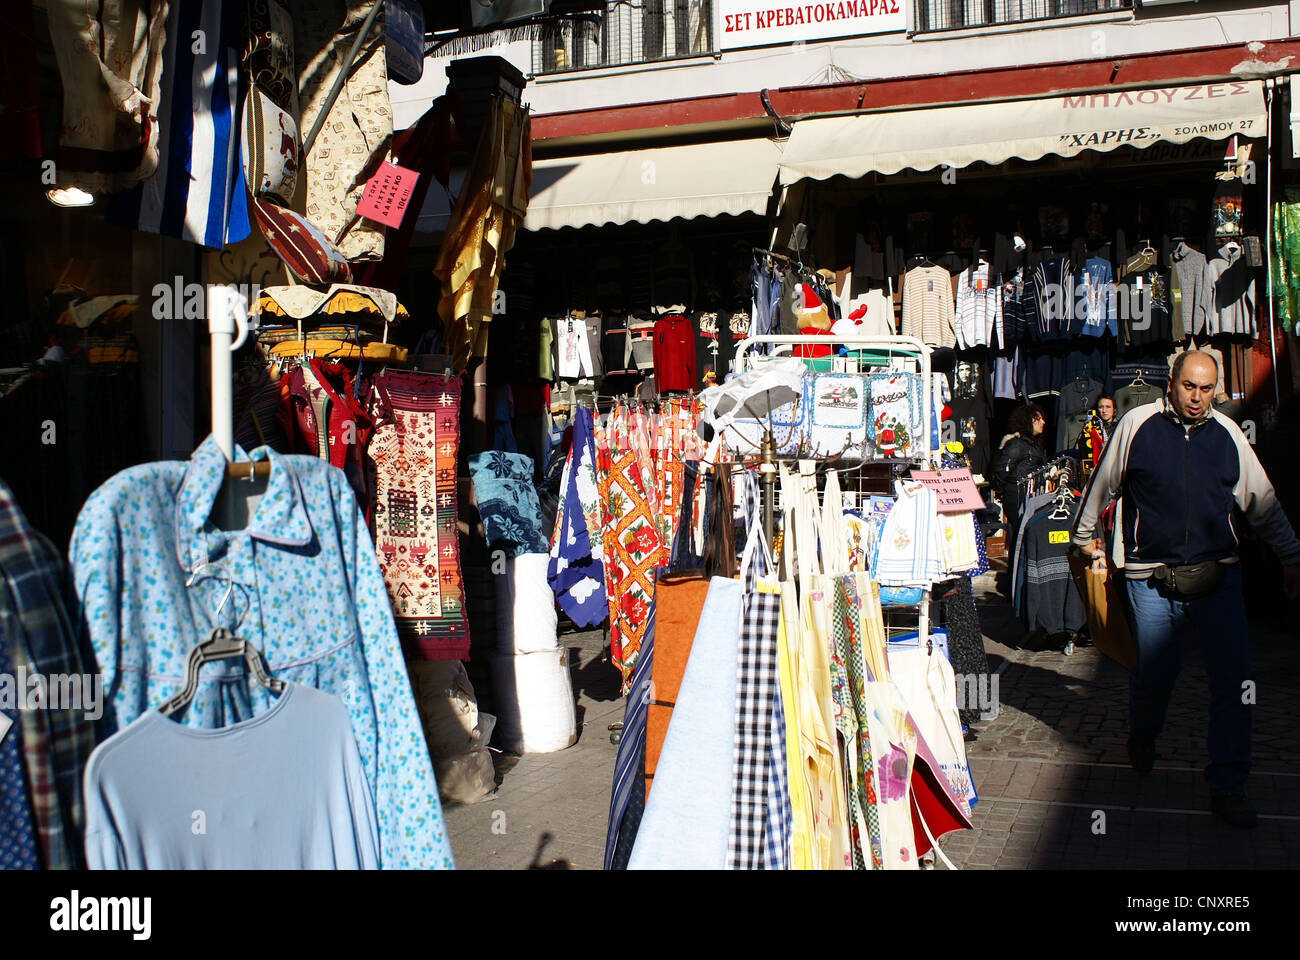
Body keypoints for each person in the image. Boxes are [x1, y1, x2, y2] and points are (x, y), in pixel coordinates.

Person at [1071, 351, 1300, 828]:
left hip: (1218, 576)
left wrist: (1292, 556)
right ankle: (1144, 734)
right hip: (1150, 578)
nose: (1198, 398)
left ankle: (1229, 784)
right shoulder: (1137, 425)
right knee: (1155, 677)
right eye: (1190, 387)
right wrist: (1081, 537)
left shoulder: (1229, 435)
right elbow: (1103, 483)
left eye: (1207, 389)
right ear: (1171, 383)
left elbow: (1263, 503)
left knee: (1234, 682)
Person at [992, 402, 1048, 537]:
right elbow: (1002, 469)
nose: (1043, 422)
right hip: (1018, 497)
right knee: (1021, 535)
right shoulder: (1017, 444)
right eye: (1038, 419)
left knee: (1025, 535)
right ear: (1028, 420)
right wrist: (1001, 491)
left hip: (1029, 497)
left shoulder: (1035, 444)